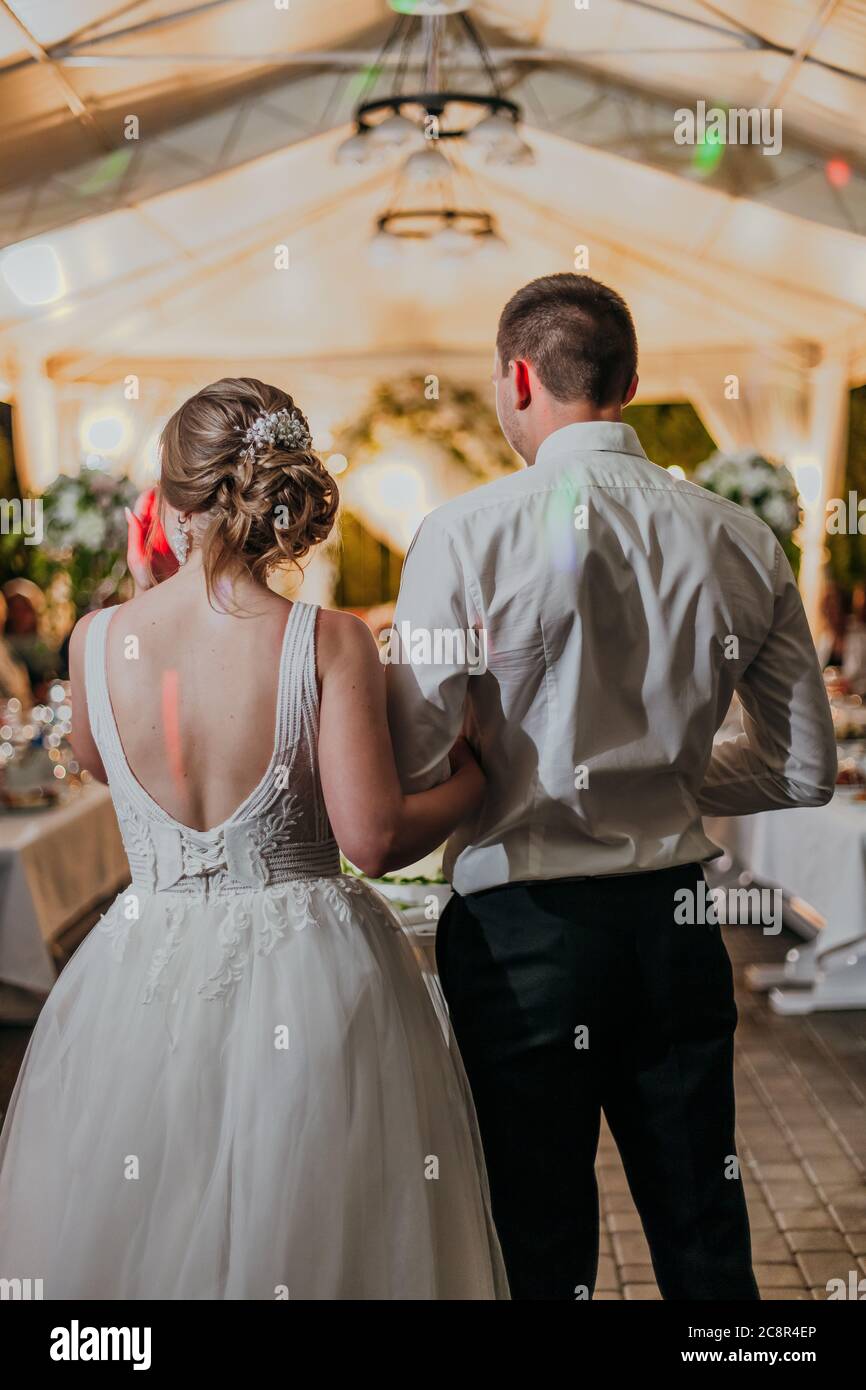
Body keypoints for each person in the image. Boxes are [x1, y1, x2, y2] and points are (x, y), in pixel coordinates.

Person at [0, 378, 507, 1300]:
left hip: (140, 975)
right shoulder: (328, 639)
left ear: (167, 503)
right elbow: (376, 835)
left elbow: (105, 761)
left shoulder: (94, 639)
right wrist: (476, 782)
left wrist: (158, 601)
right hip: (310, 974)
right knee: (312, 1233)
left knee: (149, 1229)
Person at [386, 273, 838, 1301]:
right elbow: (804, 766)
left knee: (538, 1245)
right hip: (675, 929)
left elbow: (414, 762)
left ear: (514, 379)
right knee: (703, 1235)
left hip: (519, 940)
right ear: (629, 382)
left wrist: (521, 765)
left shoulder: (460, 534)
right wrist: (665, 771)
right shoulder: (739, 535)